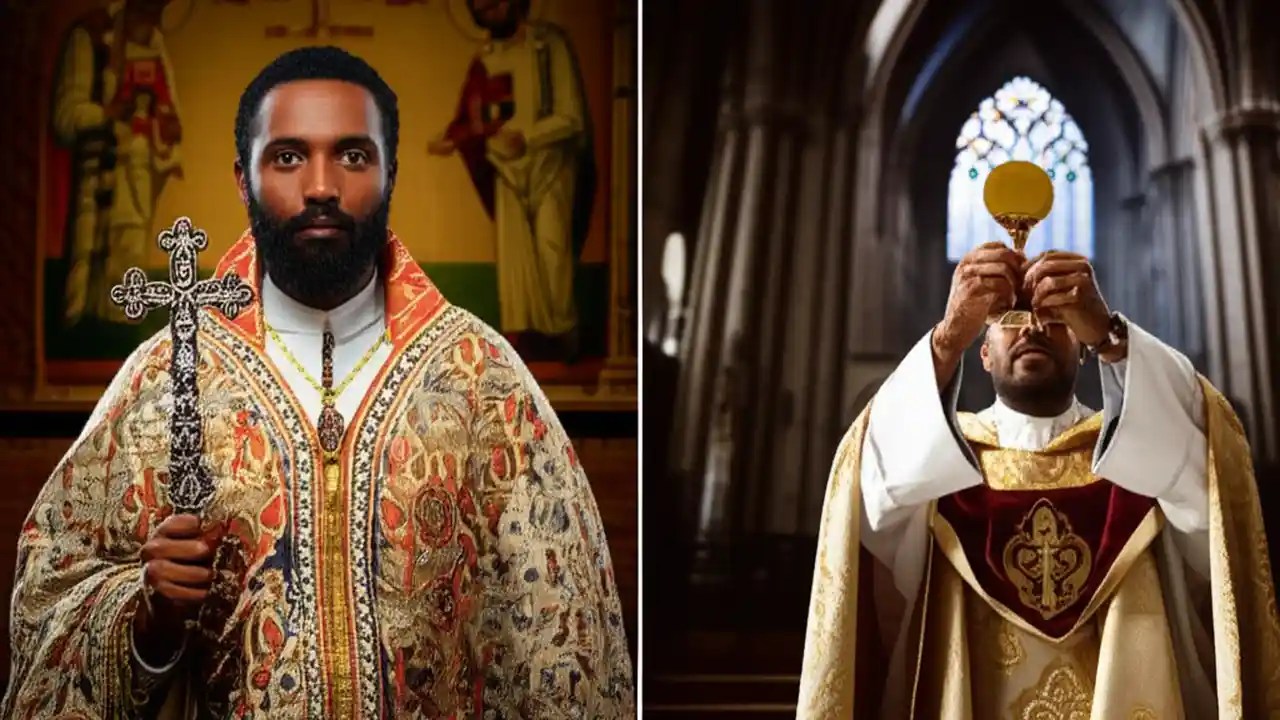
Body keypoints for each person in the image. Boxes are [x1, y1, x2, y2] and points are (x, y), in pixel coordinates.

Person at [4, 46, 633, 718]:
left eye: (353, 156)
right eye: (288, 156)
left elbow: (566, 648)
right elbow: (48, 606)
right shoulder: (160, 383)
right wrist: (145, 623)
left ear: (392, 174)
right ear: (243, 181)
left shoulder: (486, 383)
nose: (322, 186)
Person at [797, 241, 1280, 718]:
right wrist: (946, 339)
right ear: (982, 354)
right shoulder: (937, 459)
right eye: (1010, 320)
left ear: (1083, 347)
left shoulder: (1139, 450)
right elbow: (866, 490)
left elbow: (1215, 464)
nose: (1032, 328)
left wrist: (1112, 335)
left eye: (1055, 320)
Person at [428, 0, 595, 362]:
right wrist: (453, 136)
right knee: (514, 268)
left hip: (551, 167)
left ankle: (564, 340)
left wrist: (529, 137)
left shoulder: (549, 45)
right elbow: (474, 115)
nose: (486, 5)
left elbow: (571, 116)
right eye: (478, 2)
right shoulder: (486, 56)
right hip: (506, 169)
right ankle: (521, 348)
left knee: (553, 258)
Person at [52, 0, 184, 326]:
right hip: (98, 174)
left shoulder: (154, 43)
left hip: (139, 171)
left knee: (131, 249)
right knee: (86, 261)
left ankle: (123, 325)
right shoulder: (91, 38)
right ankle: (78, 329)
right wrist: (106, 114)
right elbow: (65, 118)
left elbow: (171, 116)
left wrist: (165, 127)